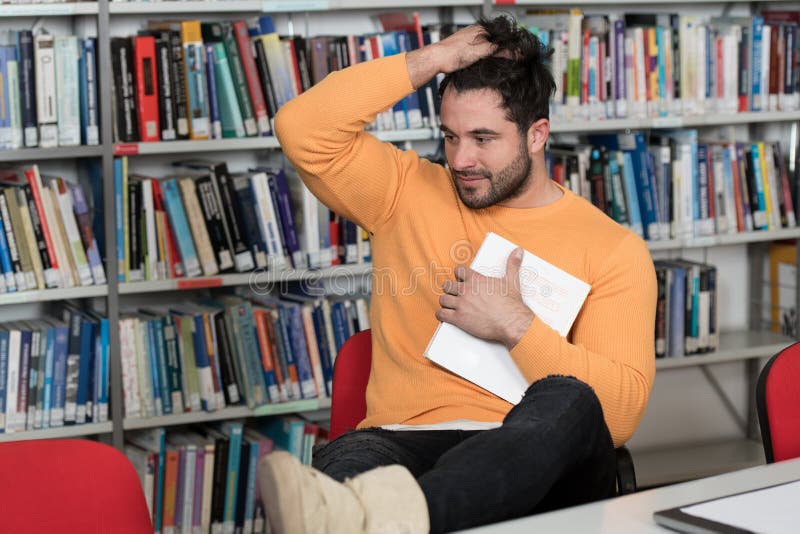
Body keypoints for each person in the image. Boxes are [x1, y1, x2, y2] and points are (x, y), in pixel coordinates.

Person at [259, 15, 657, 534]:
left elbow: (618, 416)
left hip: (530, 452)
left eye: (483, 138)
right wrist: (435, 58)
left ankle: (392, 518)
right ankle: (387, 516)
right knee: (349, 477)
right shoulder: (402, 190)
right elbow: (301, 128)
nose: (461, 159)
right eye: (450, 136)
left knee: (572, 398)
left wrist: (515, 325)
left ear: (538, 135)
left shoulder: (613, 249)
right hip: (397, 441)